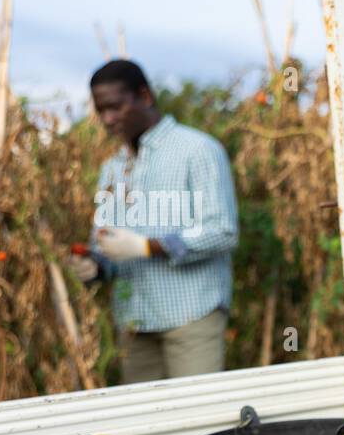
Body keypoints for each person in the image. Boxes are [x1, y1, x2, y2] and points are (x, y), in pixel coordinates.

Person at [67, 59, 239, 383]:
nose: (108, 119)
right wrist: (96, 266)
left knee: (196, 421)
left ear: (144, 96)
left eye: (116, 107)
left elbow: (222, 231)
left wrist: (147, 246)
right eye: (101, 111)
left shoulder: (197, 150)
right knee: (145, 428)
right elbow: (107, 243)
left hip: (192, 318)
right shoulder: (112, 168)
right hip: (134, 324)